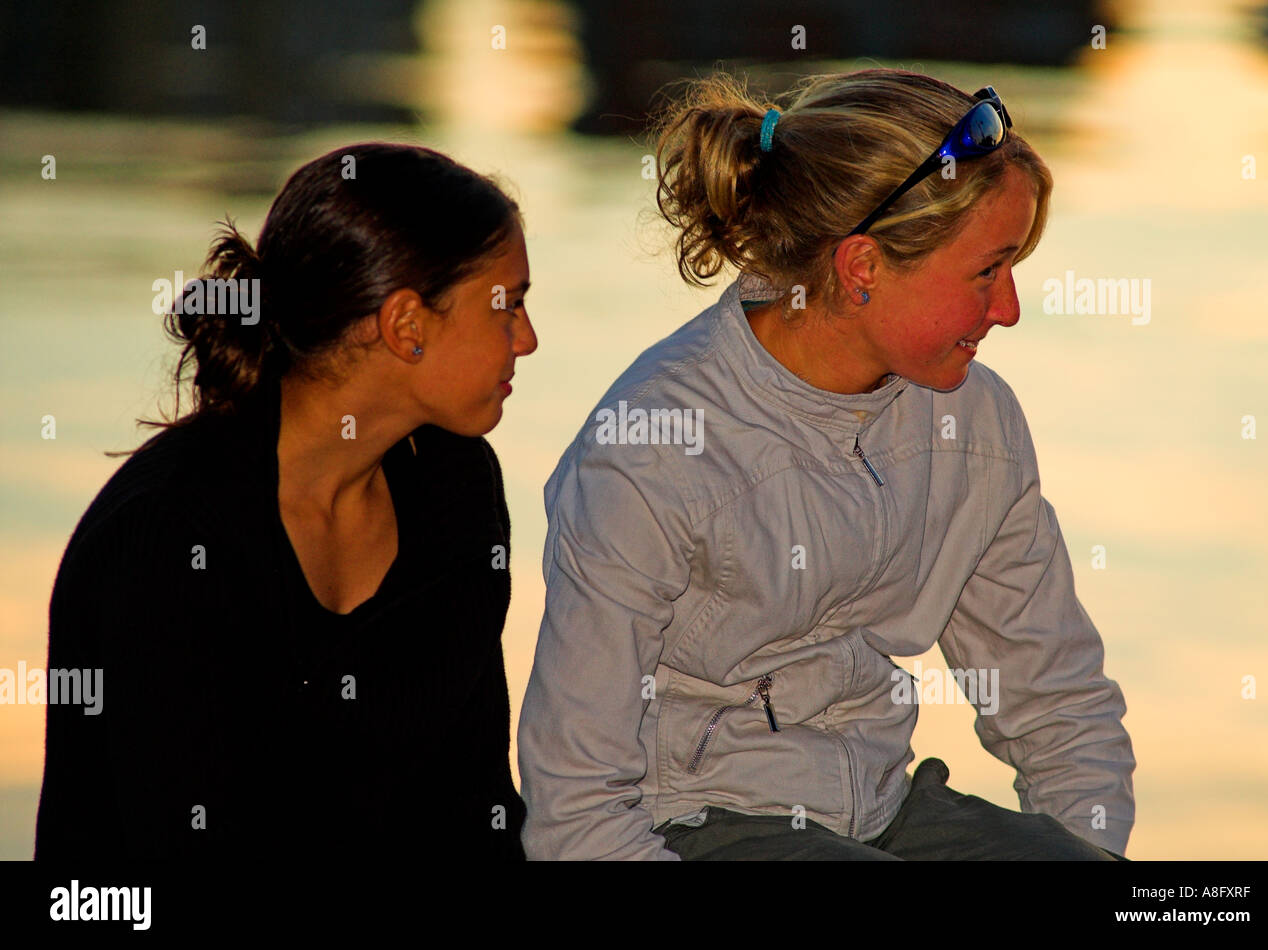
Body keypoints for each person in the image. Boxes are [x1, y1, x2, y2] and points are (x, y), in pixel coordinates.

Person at [517, 69, 1135, 860]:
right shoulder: (651, 451)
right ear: (862, 268)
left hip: (886, 814)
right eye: (987, 270)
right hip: (693, 828)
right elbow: (575, 812)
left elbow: (1054, 701)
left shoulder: (976, 424)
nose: (1009, 308)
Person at [35, 142, 538, 861]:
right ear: (406, 326)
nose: (529, 339)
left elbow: (474, 809)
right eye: (508, 307)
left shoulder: (455, 489)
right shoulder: (169, 533)